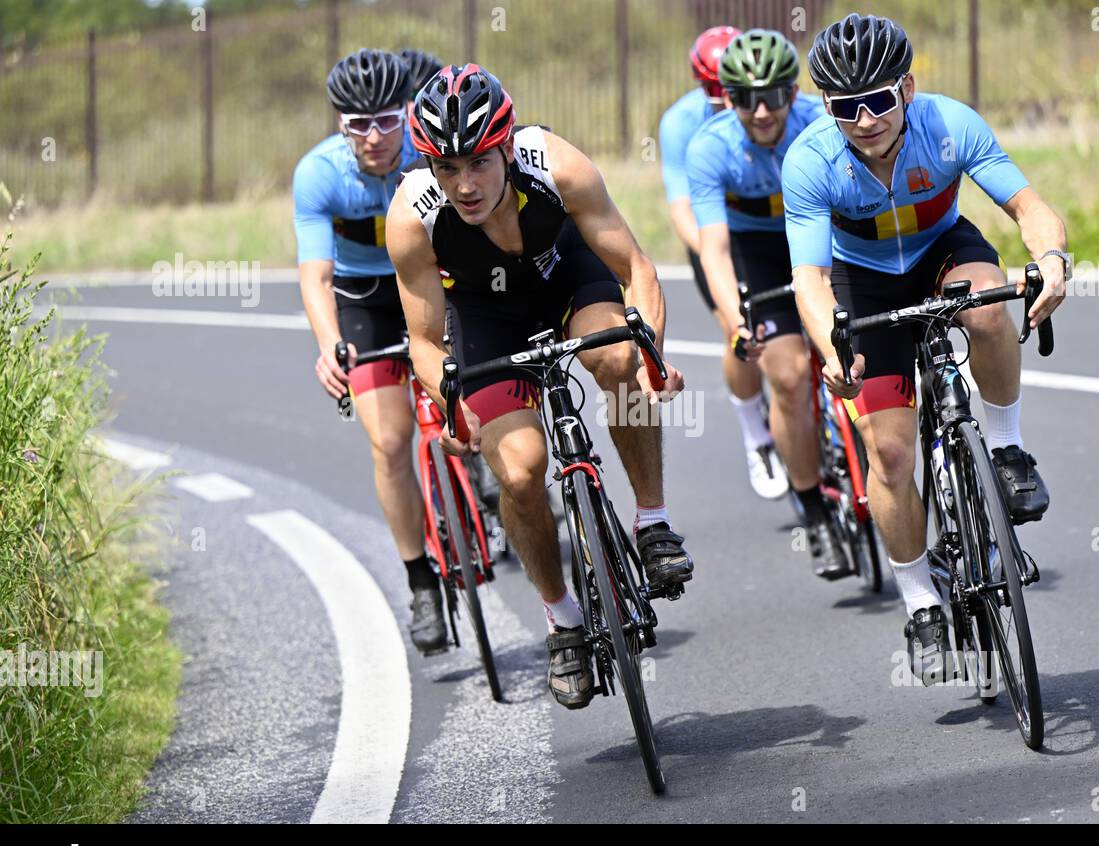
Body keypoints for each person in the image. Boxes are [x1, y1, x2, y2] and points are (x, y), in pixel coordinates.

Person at [387, 64, 694, 709]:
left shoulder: (557, 166)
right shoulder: (412, 218)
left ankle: (653, 519)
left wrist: (652, 359)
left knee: (615, 358)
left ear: (504, 145)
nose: (463, 184)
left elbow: (635, 268)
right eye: (446, 167)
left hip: (566, 280)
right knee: (522, 472)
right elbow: (423, 338)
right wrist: (451, 403)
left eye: (477, 163)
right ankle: (563, 621)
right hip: (484, 317)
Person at [783, 14, 1068, 680]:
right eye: (844, 107)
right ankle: (918, 601)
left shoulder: (949, 126)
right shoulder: (811, 161)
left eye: (878, 100)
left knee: (991, 311)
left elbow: (1027, 205)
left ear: (906, 88)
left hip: (943, 248)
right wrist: (832, 346)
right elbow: (810, 279)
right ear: (826, 107)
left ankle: (1005, 450)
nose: (864, 119)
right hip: (864, 281)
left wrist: (1051, 257)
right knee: (888, 454)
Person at [293, 49, 449, 654]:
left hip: (433, 281)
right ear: (340, 124)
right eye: (359, 124)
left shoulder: (427, 149)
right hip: (363, 296)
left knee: (463, 411)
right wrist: (330, 343)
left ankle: (482, 475)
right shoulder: (319, 174)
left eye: (387, 119)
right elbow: (315, 275)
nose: (376, 136)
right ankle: (421, 583)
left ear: (405, 111)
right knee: (388, 443)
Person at [687, 28, 849, 579]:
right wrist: (736, 320)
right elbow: (714, 250)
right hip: (758, 250)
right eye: (744, 99)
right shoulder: (710, 148)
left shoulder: (821, 127)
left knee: (856, 352)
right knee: (786, 375)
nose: (761, 112)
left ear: (795, 91)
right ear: (725, 98)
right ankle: (813, 508)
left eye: (775, 96)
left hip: (822, 234)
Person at [658, 26, 789, 501]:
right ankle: (756, 430)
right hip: (718, 235)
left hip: (781, 225)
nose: (727, 101)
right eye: (716, 91)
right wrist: (722, 266)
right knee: (742, 331)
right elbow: (682, 210)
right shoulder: (681, 124)